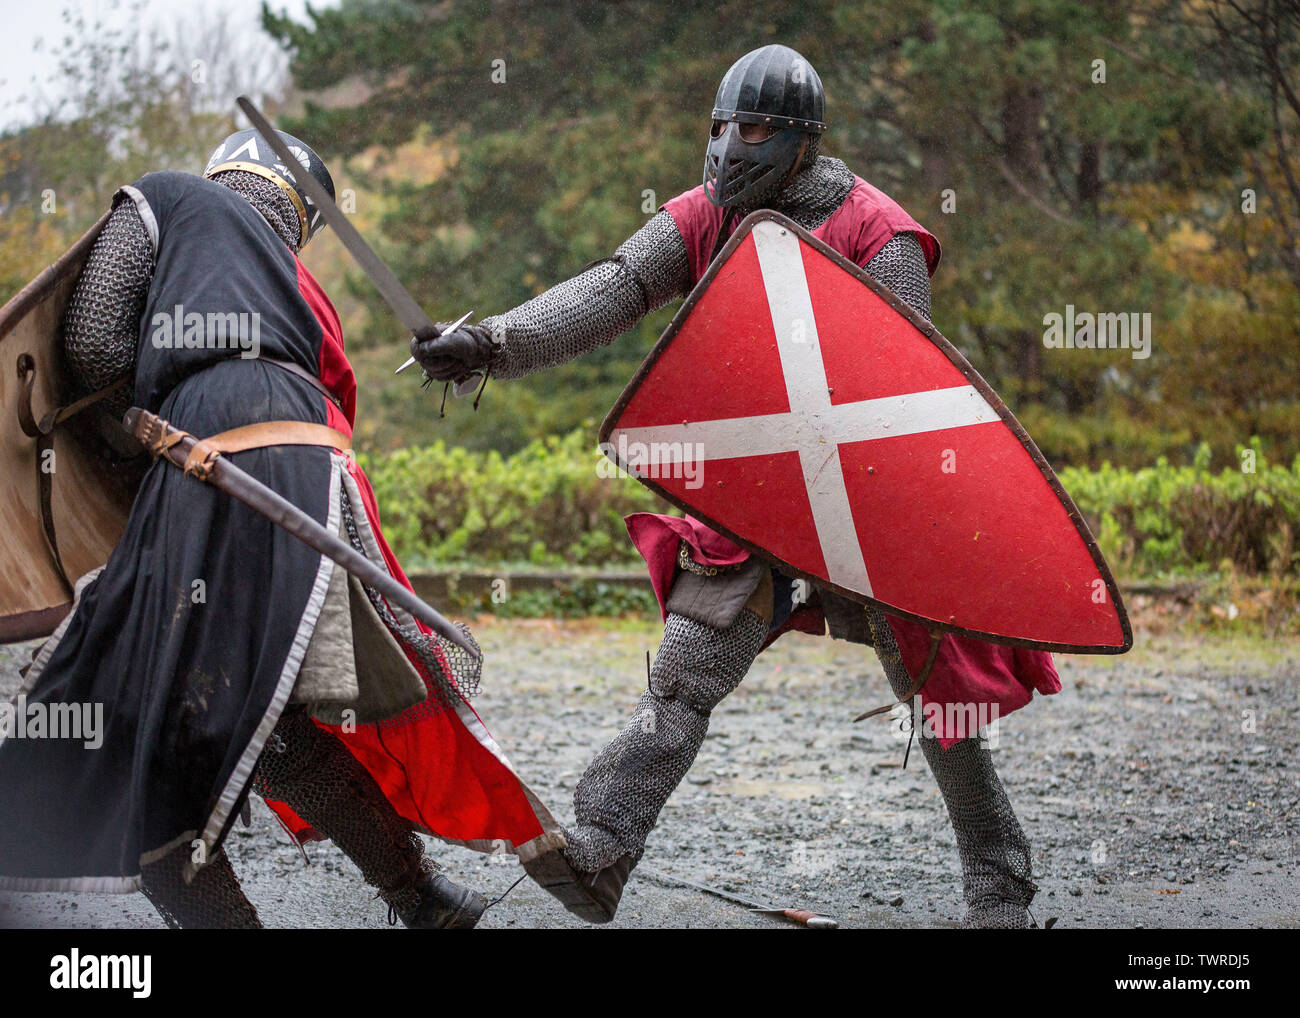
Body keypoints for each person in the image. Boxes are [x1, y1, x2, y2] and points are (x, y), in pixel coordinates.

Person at [411, 44, 1058, 929]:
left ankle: (1000, 891)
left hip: (870, 506)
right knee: (684, 672)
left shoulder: (879, 232)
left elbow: (897, 388)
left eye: (749, 127)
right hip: (759, 498)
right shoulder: (707, 216)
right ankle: (601, 848)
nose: (728, 145)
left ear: (798, 139)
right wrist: (491, 344)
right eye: (720, 125)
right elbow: (615, 288)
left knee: (939, 699)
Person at [0, 128, 561, 928]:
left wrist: (136, 435)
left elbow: (90, 342)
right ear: (301, 221)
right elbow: (335, 404)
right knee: (282, 722)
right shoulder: (300, 288)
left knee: (136, 725)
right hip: (316, 478)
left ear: (220, 168)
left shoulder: (165, 195)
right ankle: (422, 896)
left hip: (216, 461)